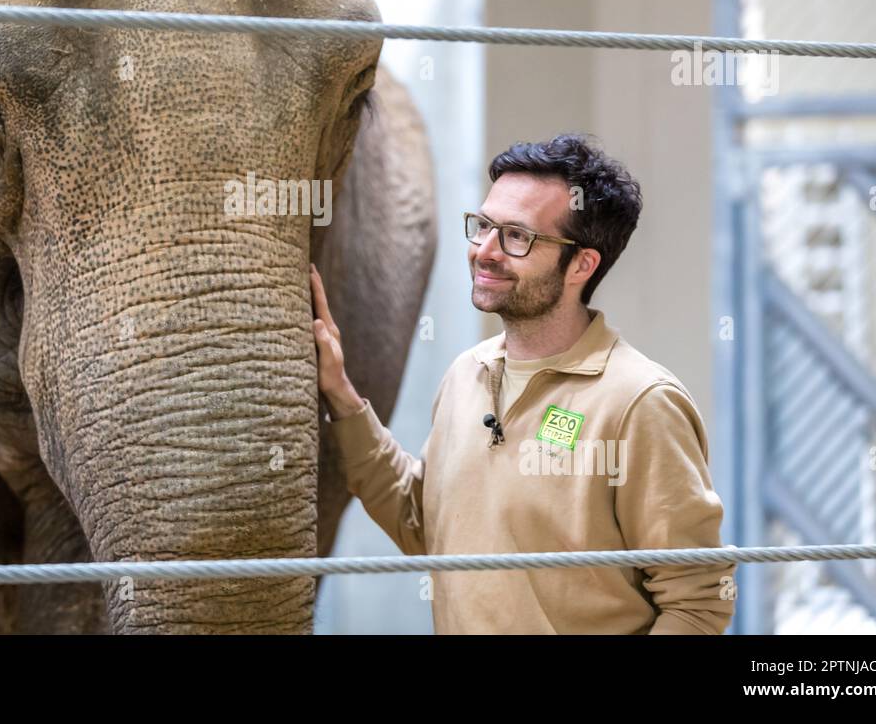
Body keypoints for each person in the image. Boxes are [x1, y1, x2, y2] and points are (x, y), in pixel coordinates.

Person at [311, 133, 735, 634]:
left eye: (517, 236)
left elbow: (698, 605)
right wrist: (340, 393)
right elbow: (421, 523)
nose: (485, 252)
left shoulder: (641, 403)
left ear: (582, 263)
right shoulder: (465, 376)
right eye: (484, 227)